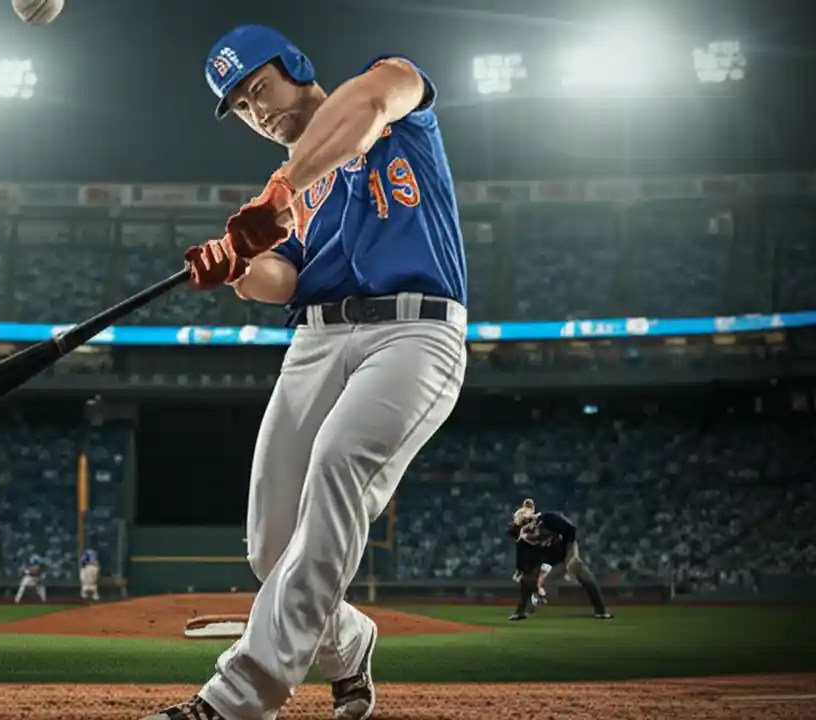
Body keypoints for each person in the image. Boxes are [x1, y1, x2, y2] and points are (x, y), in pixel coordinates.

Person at [146, 23, 468, 720]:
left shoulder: (389, 87)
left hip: (414, 332)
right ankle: (348, 640)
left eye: (259, 87)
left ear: (295, 65)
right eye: (240, 105)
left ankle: (241, 694)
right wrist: (234, 267)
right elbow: (285, 280)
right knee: (270, 545)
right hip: (320, 338)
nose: (256, 110)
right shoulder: (293, 185)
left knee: (338, 461)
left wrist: (282, 189)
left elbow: (363, 114)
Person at [507, 498, 612, 622]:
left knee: (576, 566)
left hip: (565, 549)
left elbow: (571, 530)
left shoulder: (550, 519)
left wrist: (570, 554)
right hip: (549, 558)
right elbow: (524, 562)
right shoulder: (524, 542)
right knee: (529, 578)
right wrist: (522, 571)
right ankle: (522, 610)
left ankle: (600, 610)